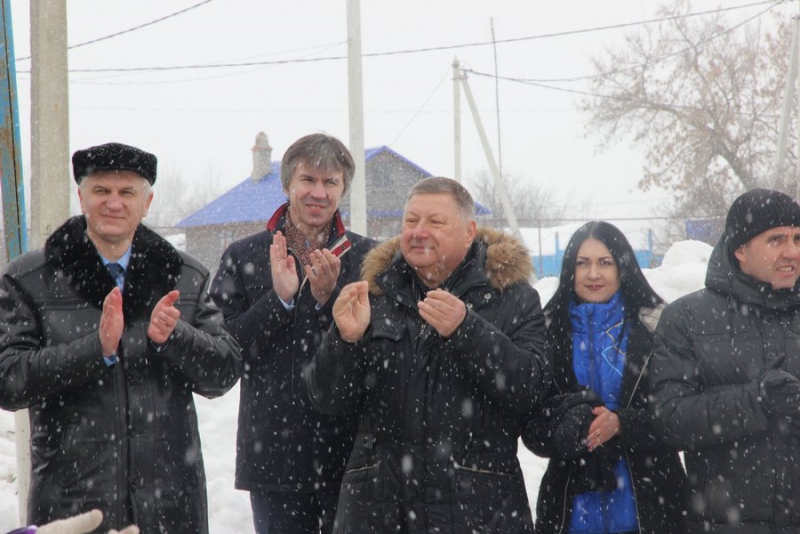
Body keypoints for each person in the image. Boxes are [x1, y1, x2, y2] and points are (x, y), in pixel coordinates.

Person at [0, 142, 242, 533]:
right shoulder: (30, 278)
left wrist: (175, 337)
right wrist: (95, 349)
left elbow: (224, 372)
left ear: (146, 203)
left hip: (170, 506)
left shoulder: (184, 276)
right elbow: (8, 380)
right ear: (82, 197)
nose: (114, 203)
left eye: (127, 192)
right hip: (72, 506)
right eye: (102, 190)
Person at [304, 176, 551, 533]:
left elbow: (531, 389)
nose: (419, 232)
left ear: (468, 232)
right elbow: (326, 399)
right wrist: (345, 340)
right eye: (411, 220)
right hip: (378, 510)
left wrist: (467, 330)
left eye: (435, 222)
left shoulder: (512, 296)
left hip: (478, 511)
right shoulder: (374, 294)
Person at [209, 133, 376, 534]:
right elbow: (222, 351)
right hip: (273, 457)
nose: (319, 192)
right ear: (287, 185)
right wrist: (279, 301)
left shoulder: (369, 259)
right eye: (308, 180)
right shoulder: (244, 256)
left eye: (330, 182)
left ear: (343, 189)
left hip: (351, 457)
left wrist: (329, 301)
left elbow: (381, 355)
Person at [649, 188, 800, 532]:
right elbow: (669, 420)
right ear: (740, 250)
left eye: (797, 238)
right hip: (725, 524)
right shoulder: (686, 318)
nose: (792, 251)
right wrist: (756, 402)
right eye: (776, 239)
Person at [523, 221, 686, 533]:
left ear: (623, 267)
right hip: (568, 515)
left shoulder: (659, 328)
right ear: (569, 270)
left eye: (605, 262)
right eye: (582, 263)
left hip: (653, 510)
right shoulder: (544, 333)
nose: (593, 274)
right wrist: (562, 427)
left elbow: (681, 418)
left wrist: (623, 424)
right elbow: (530, 427)